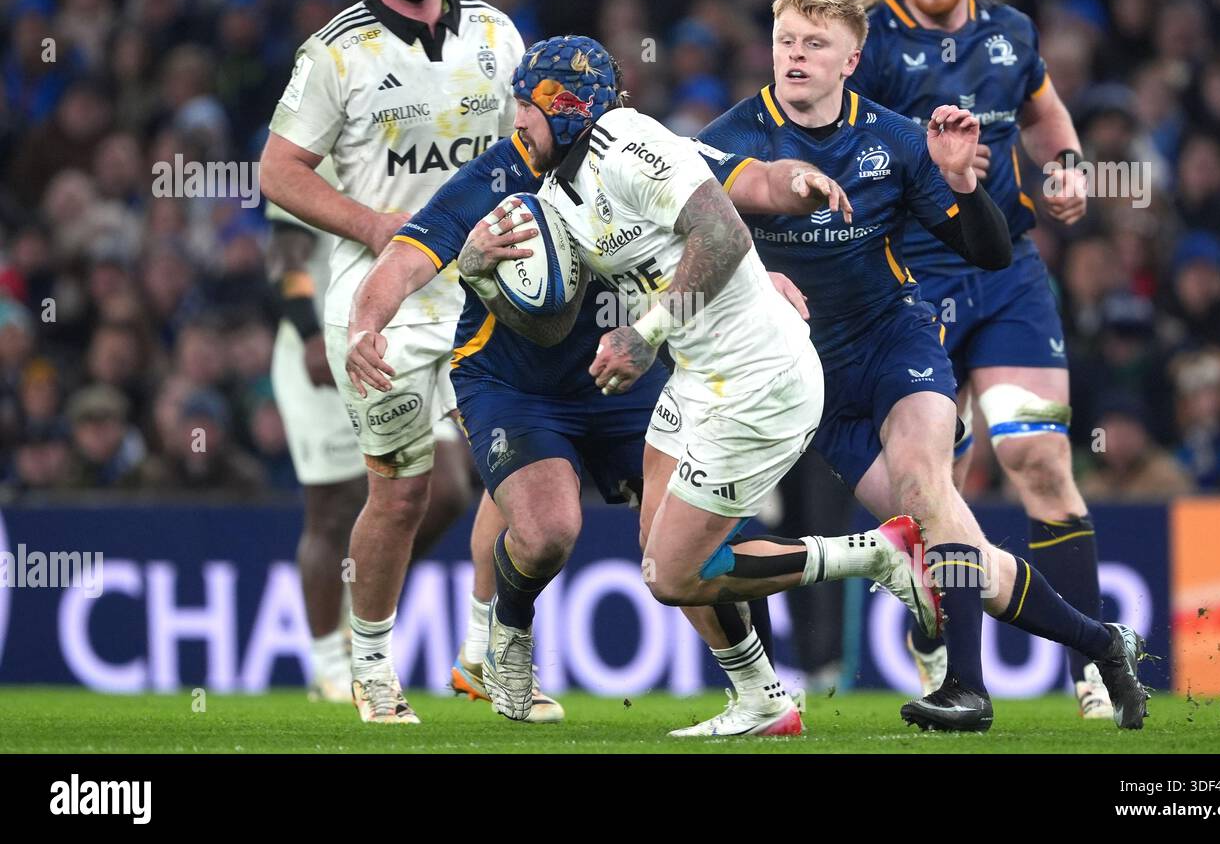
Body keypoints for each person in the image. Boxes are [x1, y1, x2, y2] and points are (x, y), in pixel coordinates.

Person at [345, 43, 939, 737]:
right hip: (673, 374)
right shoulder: (548, 180)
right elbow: (469, 274)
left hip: (746, 377)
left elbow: (722, 218)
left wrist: (665, 318)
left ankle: (876, 555)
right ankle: (761, 700)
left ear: (566, 110)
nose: (517, 124)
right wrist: (396, 310)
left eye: (528, 108)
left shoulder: (628, 145)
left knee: (673, 571)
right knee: (643, 547)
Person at [698, 0, 1149, 731]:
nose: (797, 56)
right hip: (812, 385)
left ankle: (965, 690)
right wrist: (754, 274)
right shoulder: (730, 139)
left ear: (853, 58)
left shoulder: (897, 138)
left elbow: (989, 250)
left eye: (815, 44)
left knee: (926, 482)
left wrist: (963, 183)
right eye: (786, 42)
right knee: (950, 537)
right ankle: (1102, 641)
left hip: (898, 343)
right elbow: (693, 242)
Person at [259, 0, 534, 723]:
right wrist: (376, 225)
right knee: (401, 491)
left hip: (487, 287)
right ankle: (367, 668)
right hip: (382, 301)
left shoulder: (496, 33)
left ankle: (487, 655)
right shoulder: (334, 53)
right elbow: (276, 173)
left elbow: (536, 145)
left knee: (519, 472)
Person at [851, 0, 1111, 717]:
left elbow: (1043, 111)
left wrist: (1066, 164)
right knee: (937, 484)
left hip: (1005, 276)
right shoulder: (868, 45)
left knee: (1038, 459)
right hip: (910, 279)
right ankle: (944, 645)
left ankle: (1093, 666)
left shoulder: (1012, 35)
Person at [264, 157, 368, 703]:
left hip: (388, 348)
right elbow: (286, 258)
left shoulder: (418, 129)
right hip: (320, 355)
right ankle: (328, 662)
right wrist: (307, 331)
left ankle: (363, 609)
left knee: (436, 490)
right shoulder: (311, 155)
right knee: (331, 509)